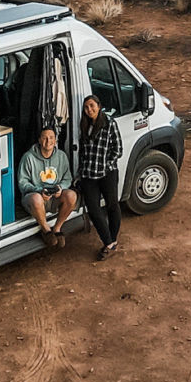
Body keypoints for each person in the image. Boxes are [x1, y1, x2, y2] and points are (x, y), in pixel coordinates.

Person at [78, 95, 123, 260]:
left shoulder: (109, 123)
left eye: (92, 106)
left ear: (99, 105)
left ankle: (112, 241)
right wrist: (82, 169)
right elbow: (83, 150)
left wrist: (106, 164)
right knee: (94, 209)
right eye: (86, 107)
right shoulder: (84, 125)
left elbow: (118, 149)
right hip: (88, 174)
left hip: (107, 172)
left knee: (112, 205)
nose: (89, 110)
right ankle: (109, 241)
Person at [17, 126, 77, 247]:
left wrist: (60, 188)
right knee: (36, 198)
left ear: (55, 141)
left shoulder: (61, 156)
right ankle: (46, 231)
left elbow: (67, 178)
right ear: (39, 140)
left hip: (55, 196)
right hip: (36, 198)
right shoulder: (28, 157)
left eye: (51, 138)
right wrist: (39, 190)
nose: (48, 141)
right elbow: (22, 183)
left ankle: (57, 229)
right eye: (44, 138)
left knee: (72, 196)